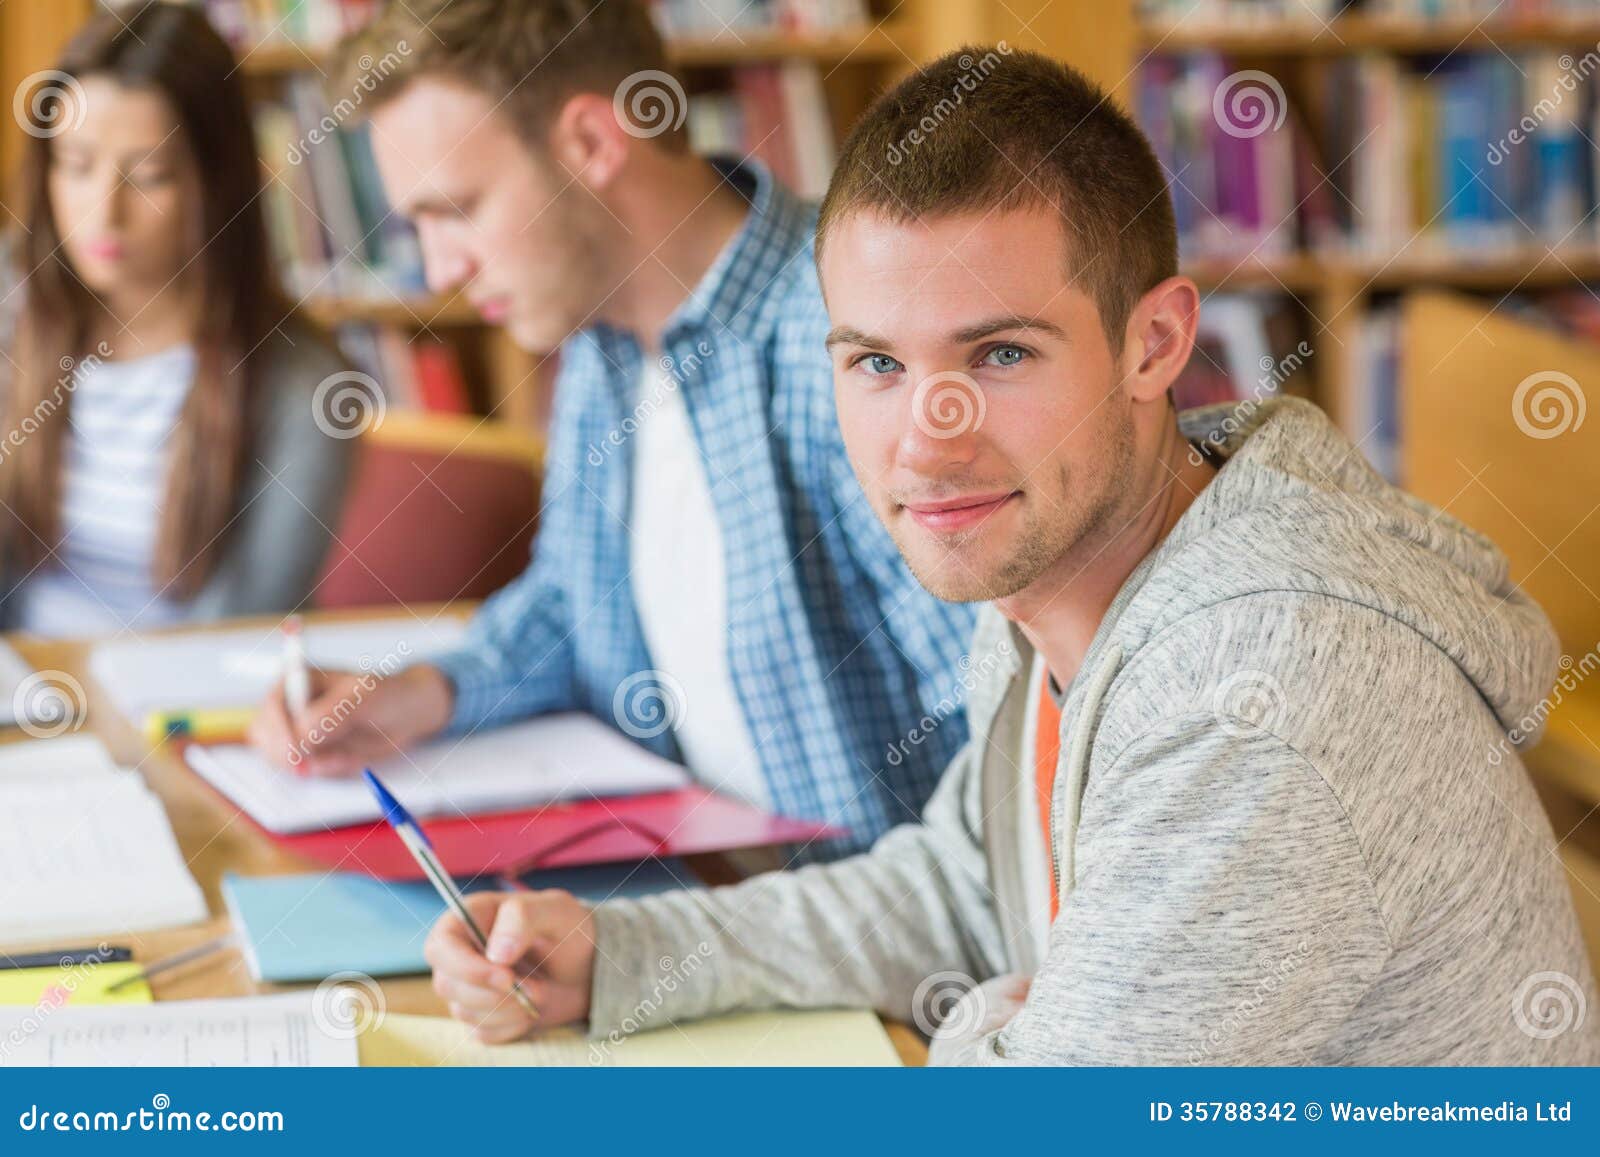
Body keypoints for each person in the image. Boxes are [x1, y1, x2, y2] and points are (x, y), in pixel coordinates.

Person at [420, 47, 1600, 1065]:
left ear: (1156, 343)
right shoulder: (1054, 570)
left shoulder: (1259, 693)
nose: (928, 440)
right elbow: (954, 881)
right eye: (875, 363)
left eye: (998, 355)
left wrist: (988, 1030)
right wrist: (626, 952)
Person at [247, 0, 976, 857]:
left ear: (592, 143)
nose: (442, 269)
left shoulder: (856, 336)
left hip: (866, 941)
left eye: (458, 210)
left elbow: (999, 718)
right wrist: (423, 693)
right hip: (695, 883)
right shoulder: (598, 343)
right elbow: (575, 603)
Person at [0, 2, 353, 635]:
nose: (103, 213)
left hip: (180, 706)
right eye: (75, 166)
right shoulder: (12, 313)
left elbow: (237, 633)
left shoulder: (308, 388)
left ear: (215, 184)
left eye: (149, 176)